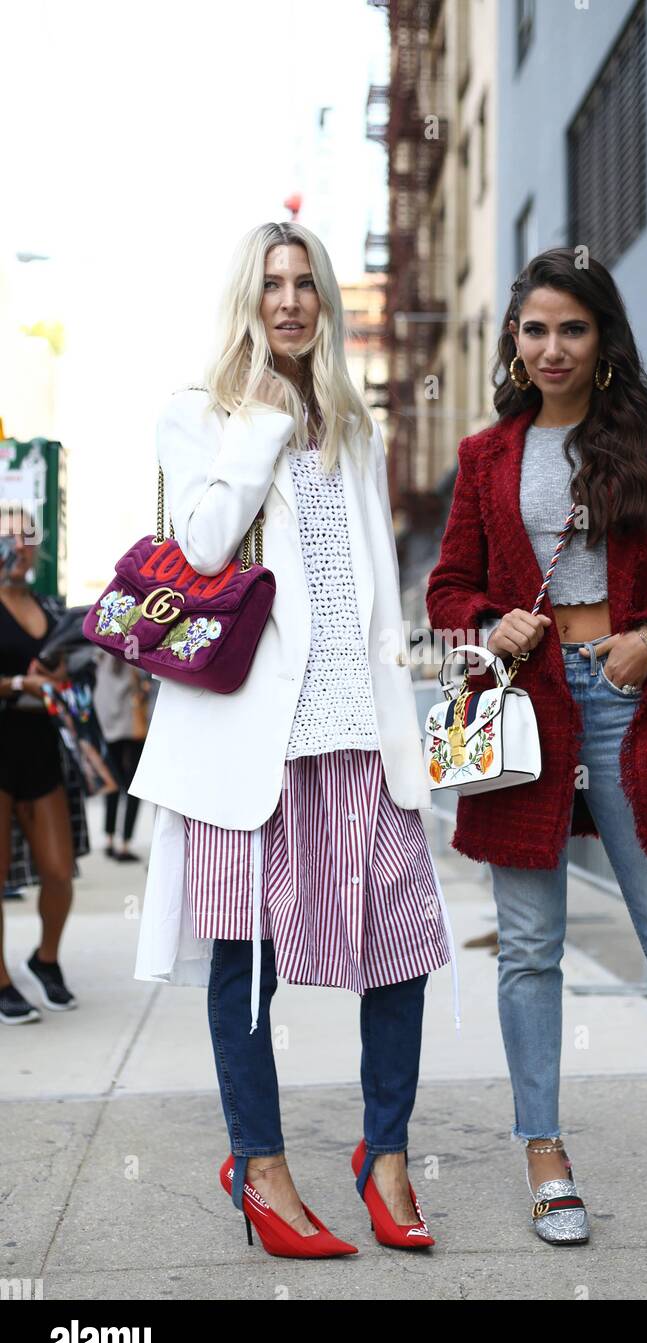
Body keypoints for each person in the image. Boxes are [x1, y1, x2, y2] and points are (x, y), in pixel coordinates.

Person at [425, 248, 647, 1245]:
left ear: (603, 341)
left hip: (630, 701)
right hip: (524, 709)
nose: (553, 348)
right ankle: (544, 1154)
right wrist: (488, 619)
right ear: (514, 341)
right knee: (529, 948)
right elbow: (448, 587)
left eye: (573, 329)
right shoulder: (485, 457)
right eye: (536, 329)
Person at [125, 221, 459, 1259]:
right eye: (271, 282)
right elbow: (201, 546)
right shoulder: (197, 413)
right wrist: (261, 423)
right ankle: (261, 1168)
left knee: (399, 940)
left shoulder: (353, 428)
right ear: (248, 297)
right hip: (248, 741)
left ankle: (385, 1154)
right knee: (244, 956)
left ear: (324, 300)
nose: (289, 300)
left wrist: (405, 712)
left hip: (358, 728)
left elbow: (372, 591)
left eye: (305, 282)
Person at [0, 503, 80, 1022]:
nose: (18, 546)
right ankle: (1, 982)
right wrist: (16, 684)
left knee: (58, 870)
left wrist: (56, 678)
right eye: (8, 537)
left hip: (39, 744)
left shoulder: (50, 606)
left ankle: (45, 958)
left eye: (26, 537)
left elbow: (67, 674)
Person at [92, 651, 152, 862]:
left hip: (108, 725)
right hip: (132, 724)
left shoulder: (100, 650)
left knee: (112, 783)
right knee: (134, 784)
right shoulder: (134, 648)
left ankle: (109, 839)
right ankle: (125, 843)